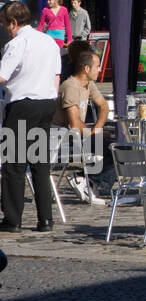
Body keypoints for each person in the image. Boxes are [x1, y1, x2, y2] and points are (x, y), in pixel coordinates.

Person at [0, 2, 62, 232]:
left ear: (13, 23)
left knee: (14, 164)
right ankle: (45, 219)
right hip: (46, 103)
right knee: (39, 164)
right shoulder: (48, 41)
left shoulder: (17, 43)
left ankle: (13, 219)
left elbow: (2, 75)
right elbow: (56, 76)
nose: (5, 28)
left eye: (5, 24)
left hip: (22, 104)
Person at [52, 49, 109, 205]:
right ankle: (85, 180)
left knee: (116, 148)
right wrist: (93, 135)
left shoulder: (88, 84)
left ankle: (90, 182)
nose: (100, 69)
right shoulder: (70, 87)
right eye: (97, 66)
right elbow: (74, 123)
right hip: (61, 139)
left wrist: (98, 128)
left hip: (77, 136)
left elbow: (104, 106)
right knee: (107, 148)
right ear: (86, 69)